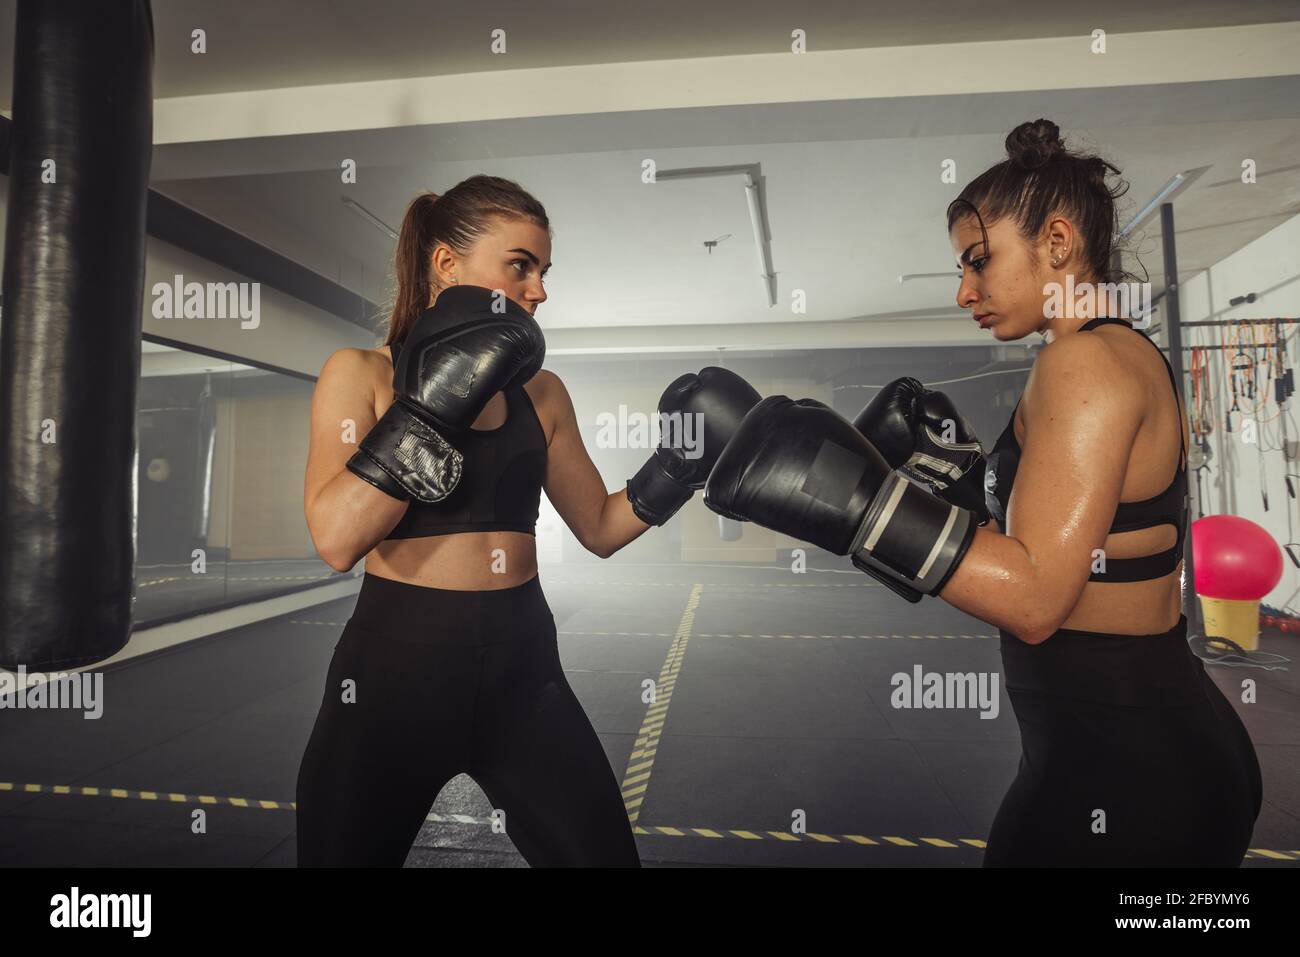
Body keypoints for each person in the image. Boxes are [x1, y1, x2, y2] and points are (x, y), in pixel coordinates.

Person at [704, 120, 1262, 866]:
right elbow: (1075, 538)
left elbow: (1034, 599)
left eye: (978, 261)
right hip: (1142, 745)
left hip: (1125, 773)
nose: (965, 289)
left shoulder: (1083, 364)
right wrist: (967, 480)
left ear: (1057, 243)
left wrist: (860, 501)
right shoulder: (1123, 353)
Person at [297, 175, 759, 867]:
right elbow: (335, 540)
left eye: (543, 271)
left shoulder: (542, 392)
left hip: (524, 672)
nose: (539, 289)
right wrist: (428, 408)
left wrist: (681, 466)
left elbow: (600, 526)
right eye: (521, 265)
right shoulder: (361, 373)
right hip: (393, 675)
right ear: (447, 264)